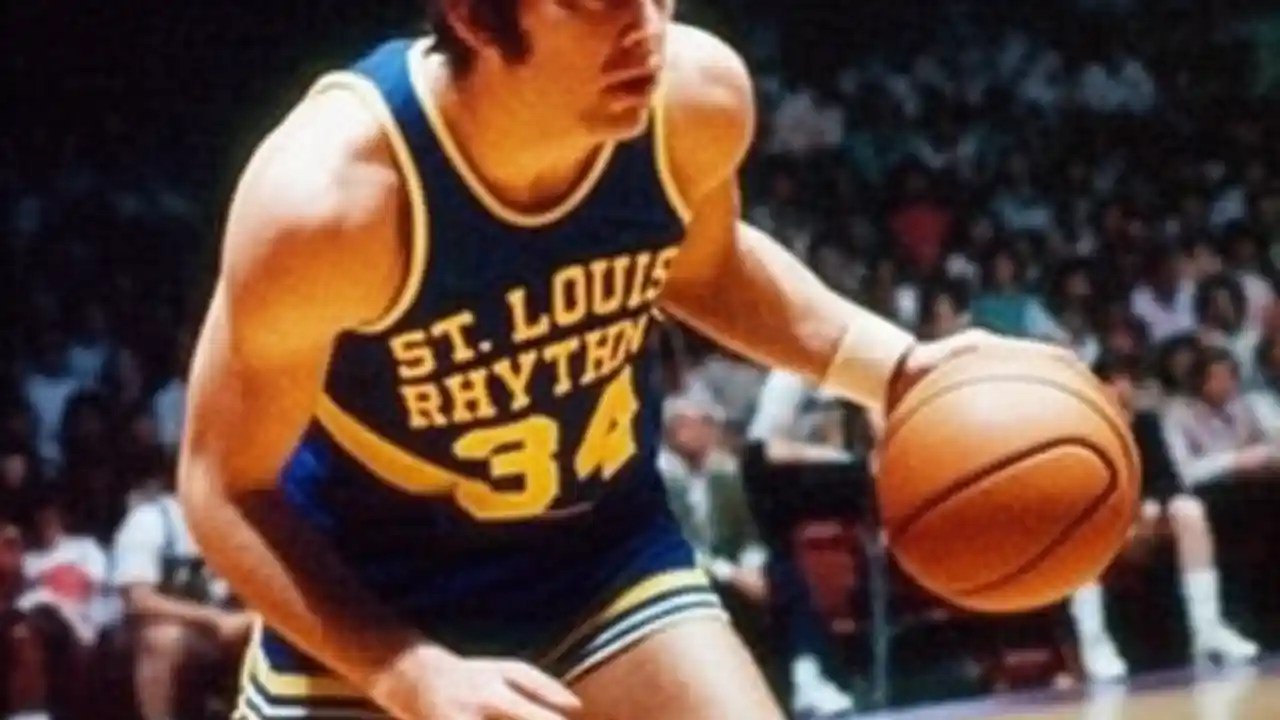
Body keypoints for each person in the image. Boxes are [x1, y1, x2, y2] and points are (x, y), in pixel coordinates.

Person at [178, 3, 1068, 719]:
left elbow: (706, 267)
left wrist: (895, 368)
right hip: (379, 592)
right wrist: (404, 670)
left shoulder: (691, 99)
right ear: (478, 20)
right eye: (600, 3)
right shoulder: (328, 204)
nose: (646, 26)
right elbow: (224, 489)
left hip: (598, 553)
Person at [1068, 355, 1259, 684]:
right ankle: (1094, 642)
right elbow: (1077, 497)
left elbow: (1169, 480)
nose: (1123, 388)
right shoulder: (1081, 431)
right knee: (1078, 534)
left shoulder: (1146, 424)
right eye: (1113, 381)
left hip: (1146, 525)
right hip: (1100, 532)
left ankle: (1208, 628)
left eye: (1127, 380)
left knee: (1189, 510)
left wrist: (1153, 505)